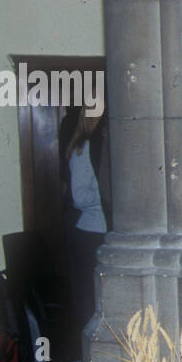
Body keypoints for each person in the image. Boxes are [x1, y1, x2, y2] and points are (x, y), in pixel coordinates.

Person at [64, 109, 110, 327]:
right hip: (91, 233)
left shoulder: (102, 146)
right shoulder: (84, 149)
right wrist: (108, 194)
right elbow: (79, 197)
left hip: (103, 231)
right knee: (90, 303)